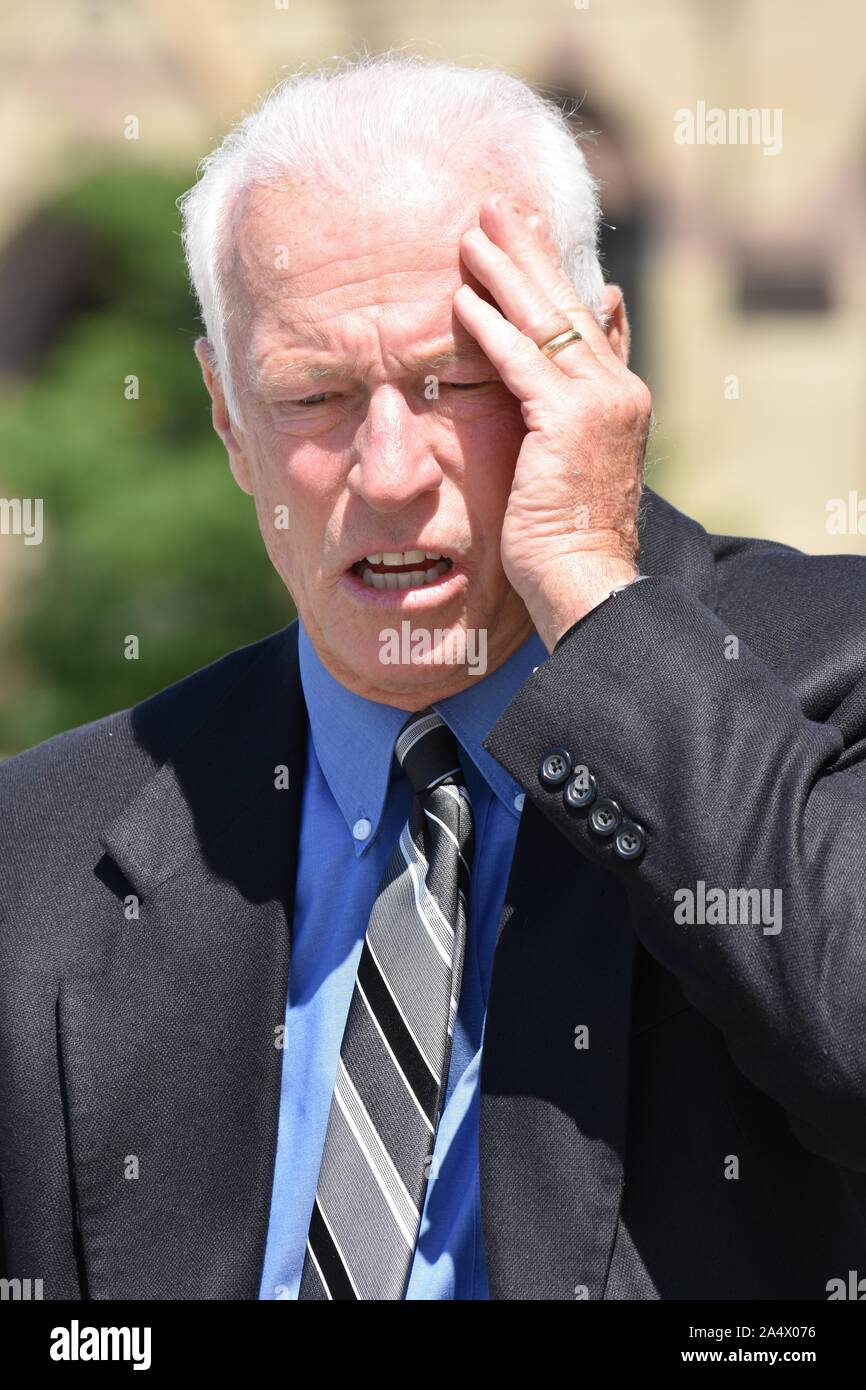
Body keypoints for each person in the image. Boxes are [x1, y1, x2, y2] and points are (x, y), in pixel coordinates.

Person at [2, 53, 866, 1301]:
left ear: (599, 364)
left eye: (454, 381)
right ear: (225, 418)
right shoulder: (42, 849)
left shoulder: (826, 673)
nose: (389, 468)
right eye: (312, 395)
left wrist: (587, 583)